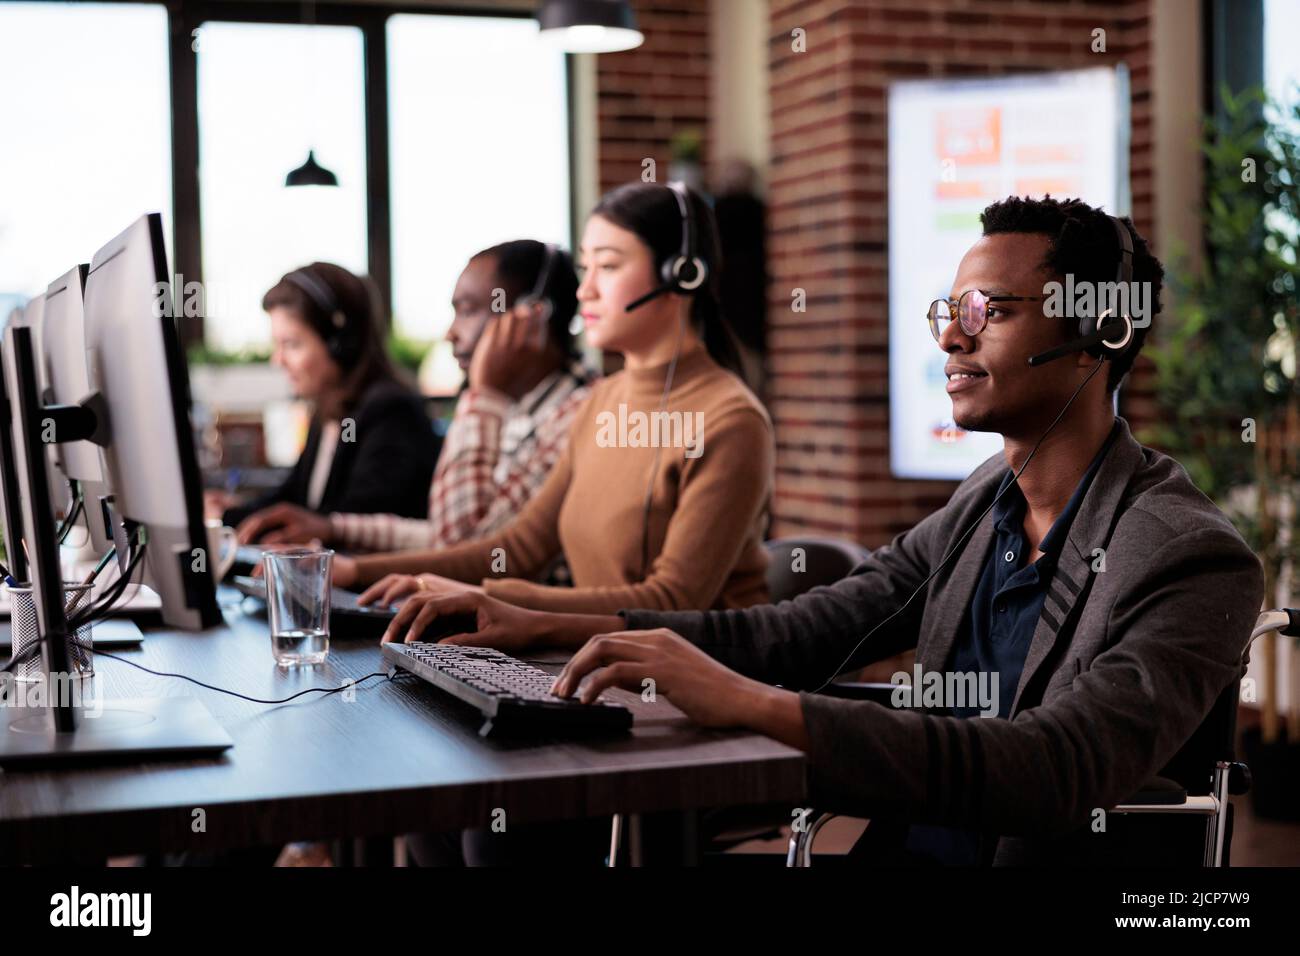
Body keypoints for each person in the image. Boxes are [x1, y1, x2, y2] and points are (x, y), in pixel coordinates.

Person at [386, 196, 1266, 866]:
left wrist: (761, 708)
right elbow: (800, 632)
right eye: (948, 314)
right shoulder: (985, 501)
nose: (953, 343)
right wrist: (533, 620)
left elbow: (1059, 768)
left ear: (1100, 331)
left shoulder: (1190, 555)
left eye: (989, 313)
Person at [331, 182, 775, 617]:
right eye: (586, 269)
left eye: (610, 266)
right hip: (600, 665)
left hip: (697, 680)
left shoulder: (730, 419)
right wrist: (353, 571)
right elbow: (518, 548)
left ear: (681, 274)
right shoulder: (601, 401)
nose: (586, 291)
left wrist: (497, 601)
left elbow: (673, 602)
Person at [230, 241, 597, 555]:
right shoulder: (514, 412)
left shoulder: (579, 414)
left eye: (468, 310)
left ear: (531, 318)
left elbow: (464, 547)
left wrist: (484, 393)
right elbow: (444, 537)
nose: (449, 333)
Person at [206, 262, 436, 534]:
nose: (277, 360)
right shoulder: (329, 410)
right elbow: (293, 497)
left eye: (291, 344)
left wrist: (231, 517)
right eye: (276, 345)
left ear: (340, 344)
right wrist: (227, 513)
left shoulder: (391, 412)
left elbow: (351, 520)